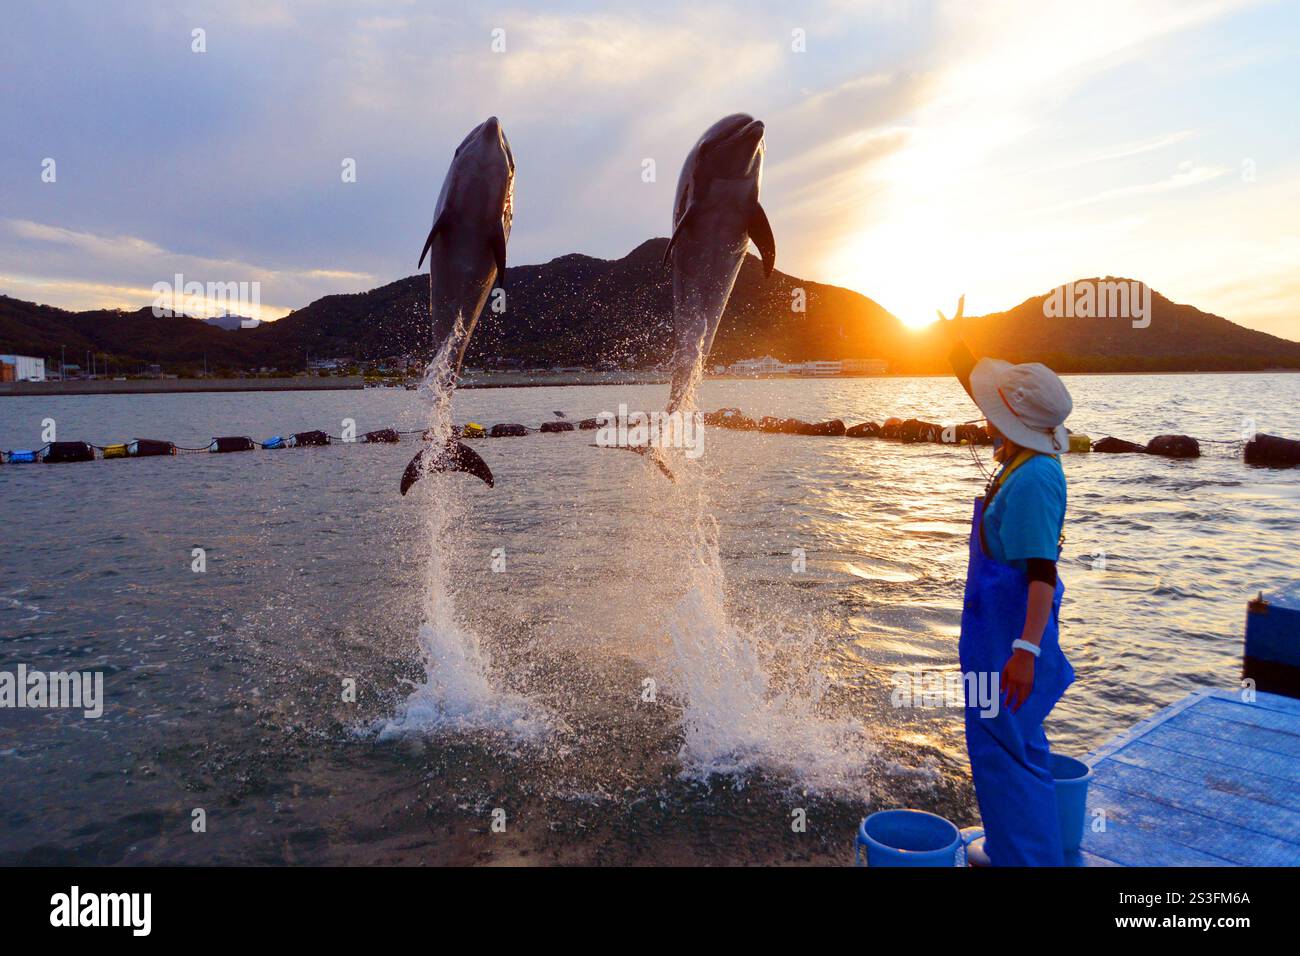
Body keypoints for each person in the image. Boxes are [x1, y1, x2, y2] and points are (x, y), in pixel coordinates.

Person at [938, 296, 1076, 866]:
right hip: (994, 640)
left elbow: (1041, 574)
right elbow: (983, 391)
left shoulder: (1036, 478)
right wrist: (953, 343)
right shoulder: (1021, 458)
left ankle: (1029, 858)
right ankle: (1014, 846)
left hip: (1010, 646)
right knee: (1002, 749)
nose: (986, 415)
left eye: (995, 411)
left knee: (1009, 754)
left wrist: (1023, 650)